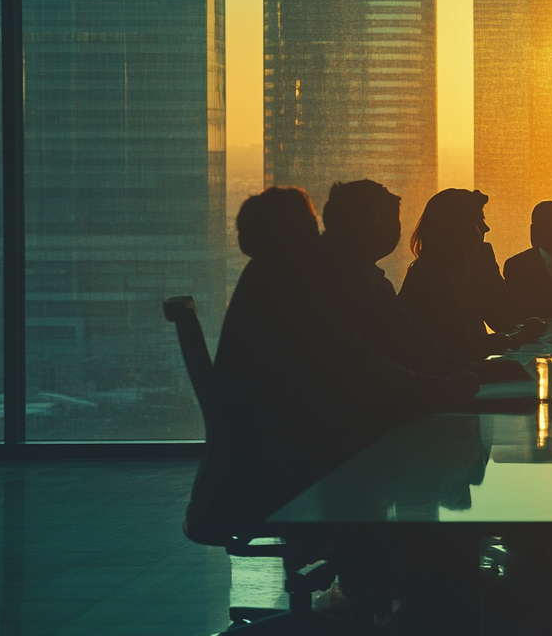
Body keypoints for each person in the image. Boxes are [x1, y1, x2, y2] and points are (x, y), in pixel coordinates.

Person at [206, 187, 480, 535]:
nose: (321, 236)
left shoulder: (272, 278)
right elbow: (358, 365)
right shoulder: (291, 285)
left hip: (272, 458)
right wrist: (444, 388)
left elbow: (375, 356)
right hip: (291, 469)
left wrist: (443, 382)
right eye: (312, 227)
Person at [398, 188, 546, 361]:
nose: (486, 228)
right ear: (457, 227)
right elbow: (463, 349)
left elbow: (500, 316)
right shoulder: (433, 279)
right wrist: (516, 338)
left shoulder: (449, 269)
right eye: (479, 221)